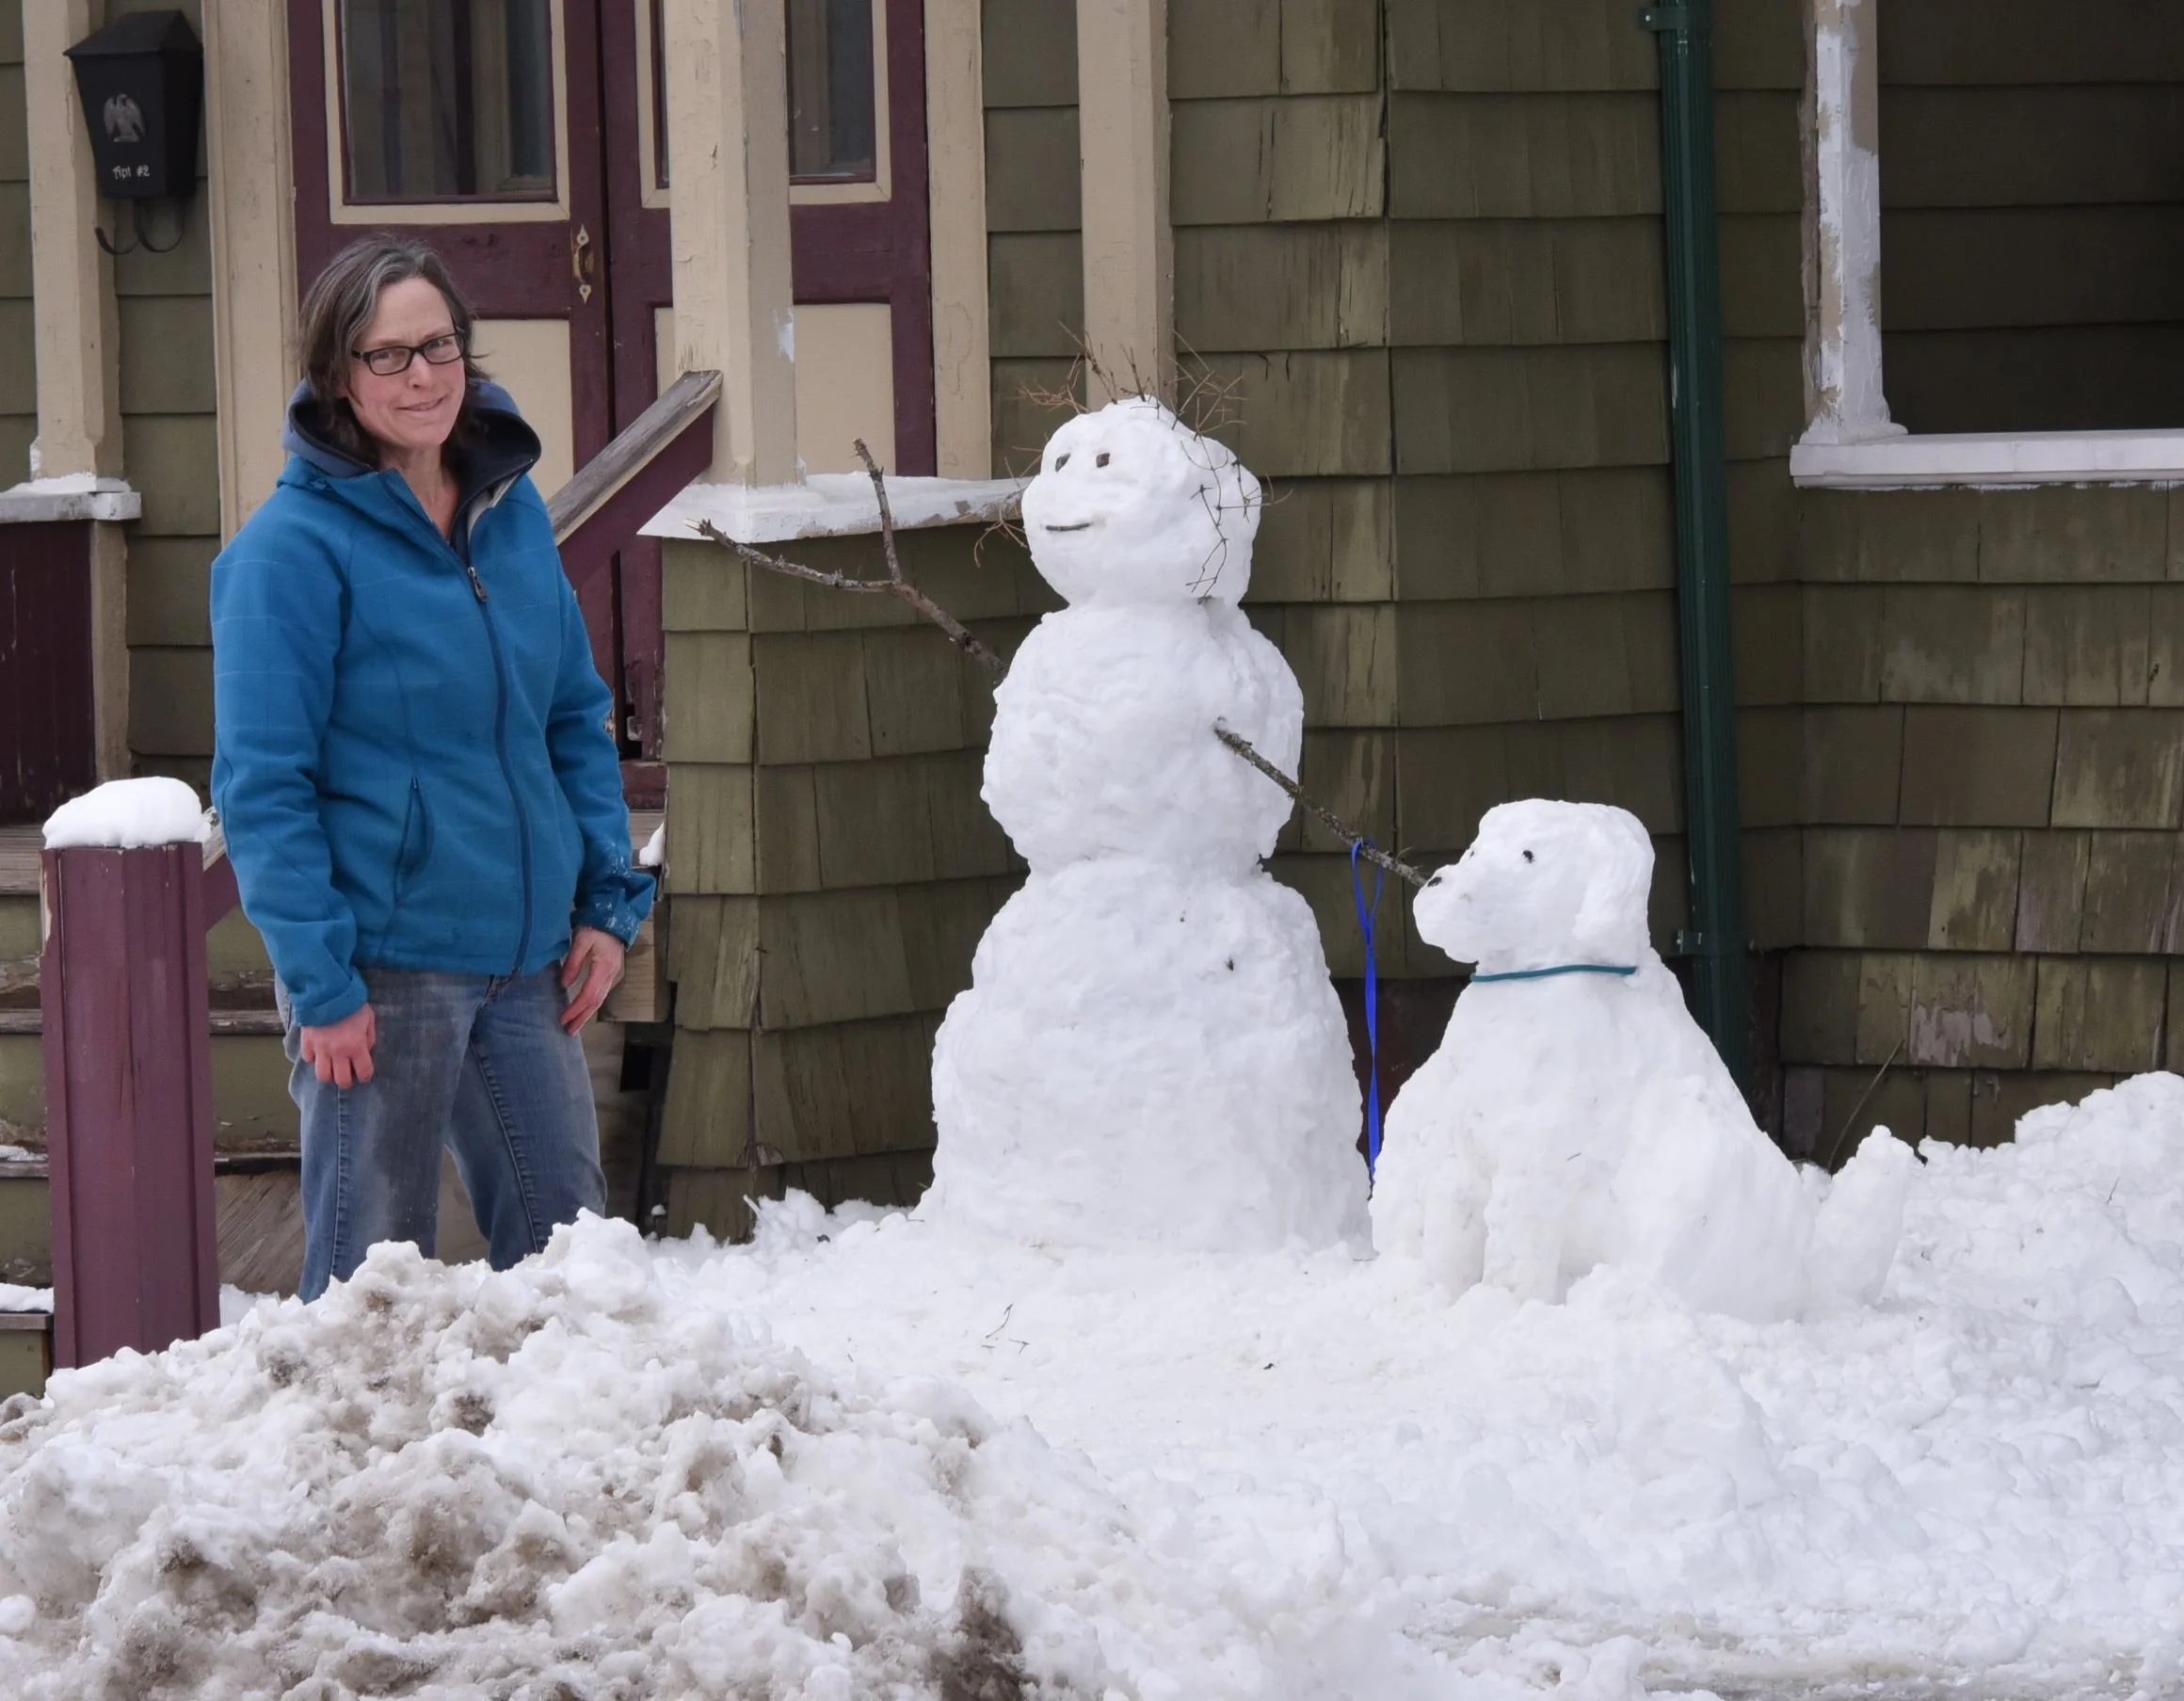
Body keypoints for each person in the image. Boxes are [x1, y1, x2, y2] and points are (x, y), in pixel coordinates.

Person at [210, 235, 653, 1302]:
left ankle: (548, 1468)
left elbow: (571, 717)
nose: (422, 377)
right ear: (336, 377)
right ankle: (350, 1473)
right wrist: (319, 983)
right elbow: (263, 786)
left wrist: (605, 900)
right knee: (373, 1293)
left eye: (439, 346)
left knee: (571, 1274)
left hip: (526, 961)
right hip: (382, 974)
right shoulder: (289, 553)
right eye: (387, 356)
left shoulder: (509, 518)